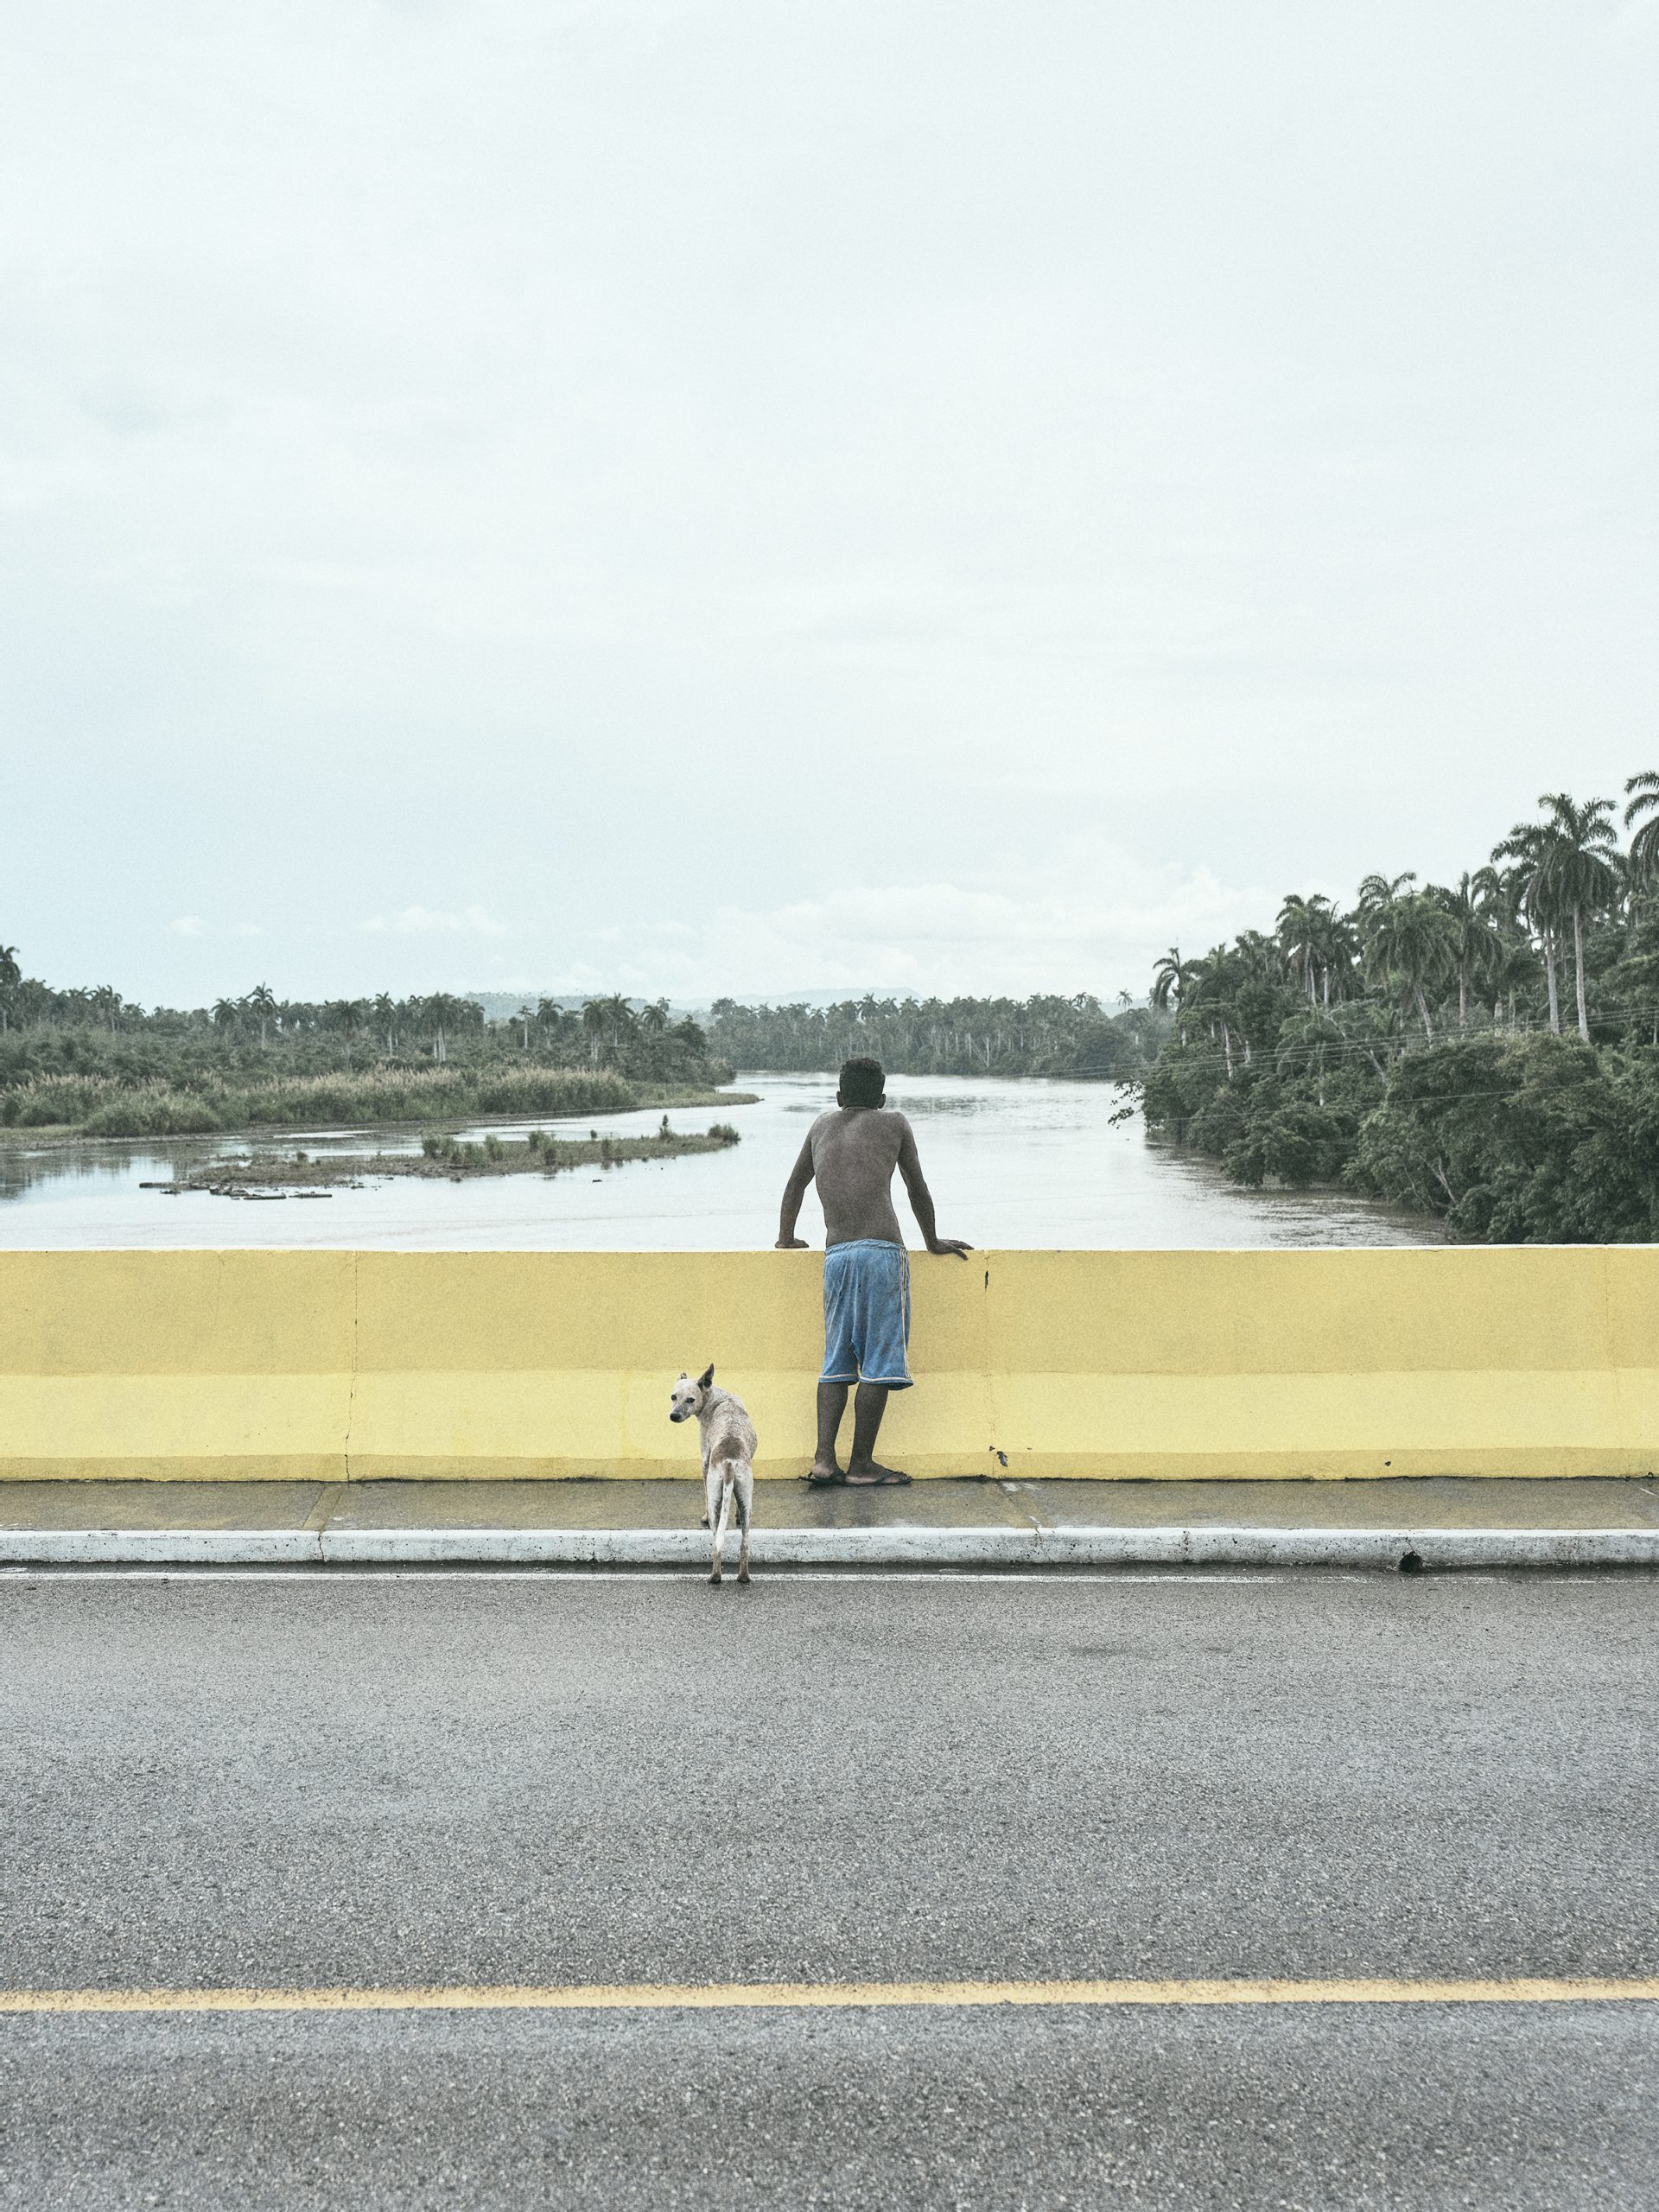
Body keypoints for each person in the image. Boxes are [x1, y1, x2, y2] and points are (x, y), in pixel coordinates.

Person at [775, 1056, 971, 1485]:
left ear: (839, 1096)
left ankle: (824, 1461)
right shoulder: (895, 1123)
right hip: (881, 1253)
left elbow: (795, 1186)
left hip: (837, 1254)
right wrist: (932, 1241)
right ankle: (861, 1466)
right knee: (879, 1365)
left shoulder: (820, 1125)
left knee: (836, 1362)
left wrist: (786, 1238)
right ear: (882, 1098)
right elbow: (916, 1186)